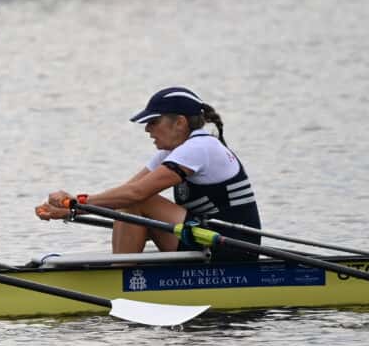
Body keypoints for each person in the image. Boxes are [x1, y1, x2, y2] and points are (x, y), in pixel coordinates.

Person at [36, 86, 260, 256]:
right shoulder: (173, 151)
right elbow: (125, 192)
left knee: (138, 201)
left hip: (234, 247)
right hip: (202, 237)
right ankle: (122, 274)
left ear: (179, 123)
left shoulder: (200, 147)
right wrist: (71, 211)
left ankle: (120, 278)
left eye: (153, 121)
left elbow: (136, 194)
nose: (147, 129)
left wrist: (76, 202)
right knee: (129, 202)